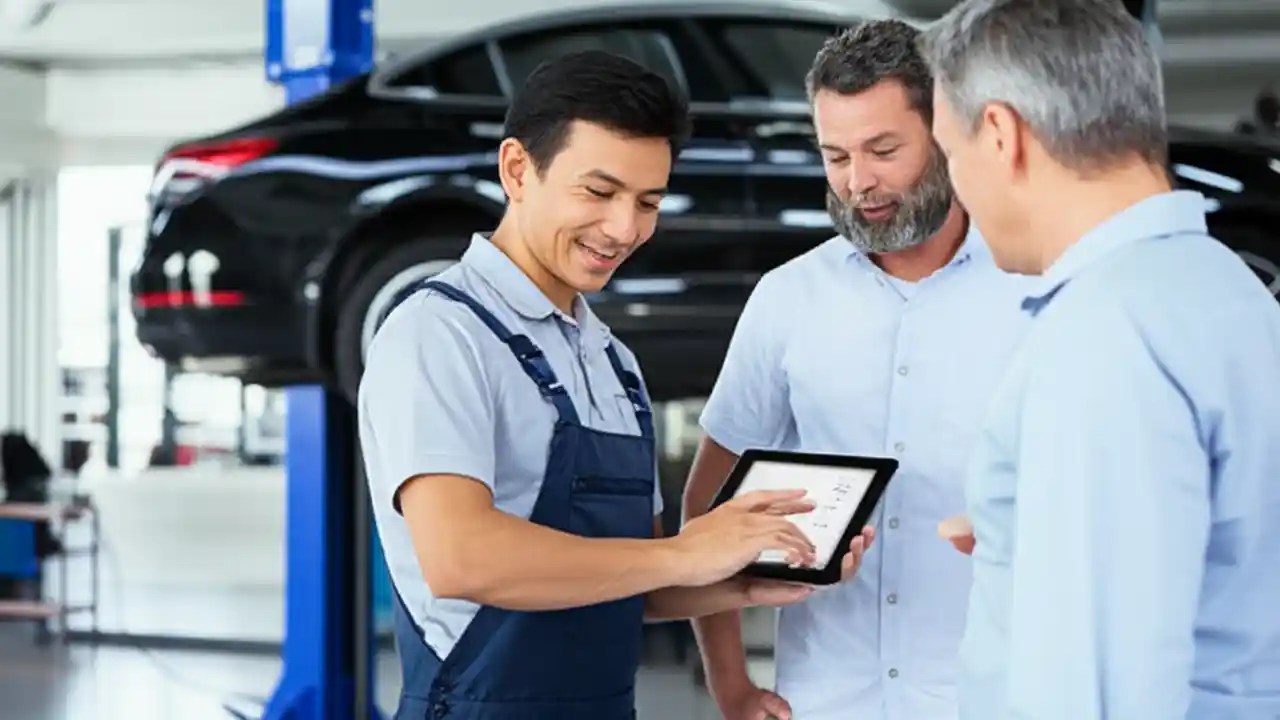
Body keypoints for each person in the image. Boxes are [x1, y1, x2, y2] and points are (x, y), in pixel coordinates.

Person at [357, 50, 875, 720]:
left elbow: (639, 581)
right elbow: (462, 559)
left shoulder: (613, 362)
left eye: (648, 201)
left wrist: (745, 576)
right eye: (598, 193)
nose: (625, 229)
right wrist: (688, 553)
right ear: (518, 169)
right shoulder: (438, 334)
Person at [920, 1, 1280, 718]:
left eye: (947, 154)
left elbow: (1099, 686)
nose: (953, 192)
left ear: (1000, 135)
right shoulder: (1229, 288)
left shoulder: (1103, 336)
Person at [682, 20, 1034, 720]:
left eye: (882, 150)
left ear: (945, 131)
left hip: (993, 699)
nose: (857, 182)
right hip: (823, 701)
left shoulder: (1031, 287)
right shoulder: (787, 298)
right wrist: (730, 685)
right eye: (834, 155)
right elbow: (706, 511)